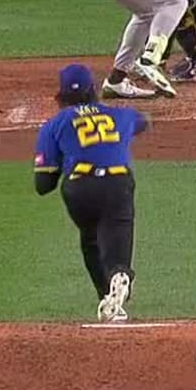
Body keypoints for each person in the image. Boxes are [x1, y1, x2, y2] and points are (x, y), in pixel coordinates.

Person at [32, 63, 148, 323]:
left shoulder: (54, 124)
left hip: (80, 187)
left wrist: (68, 155)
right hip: (117, 182)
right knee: (117, 232)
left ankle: (108, 299)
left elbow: (43, 185)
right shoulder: (120, 115)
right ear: (92, 90)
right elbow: (143, 121)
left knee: (91, 238)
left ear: (61, 95)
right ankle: (120, 274)